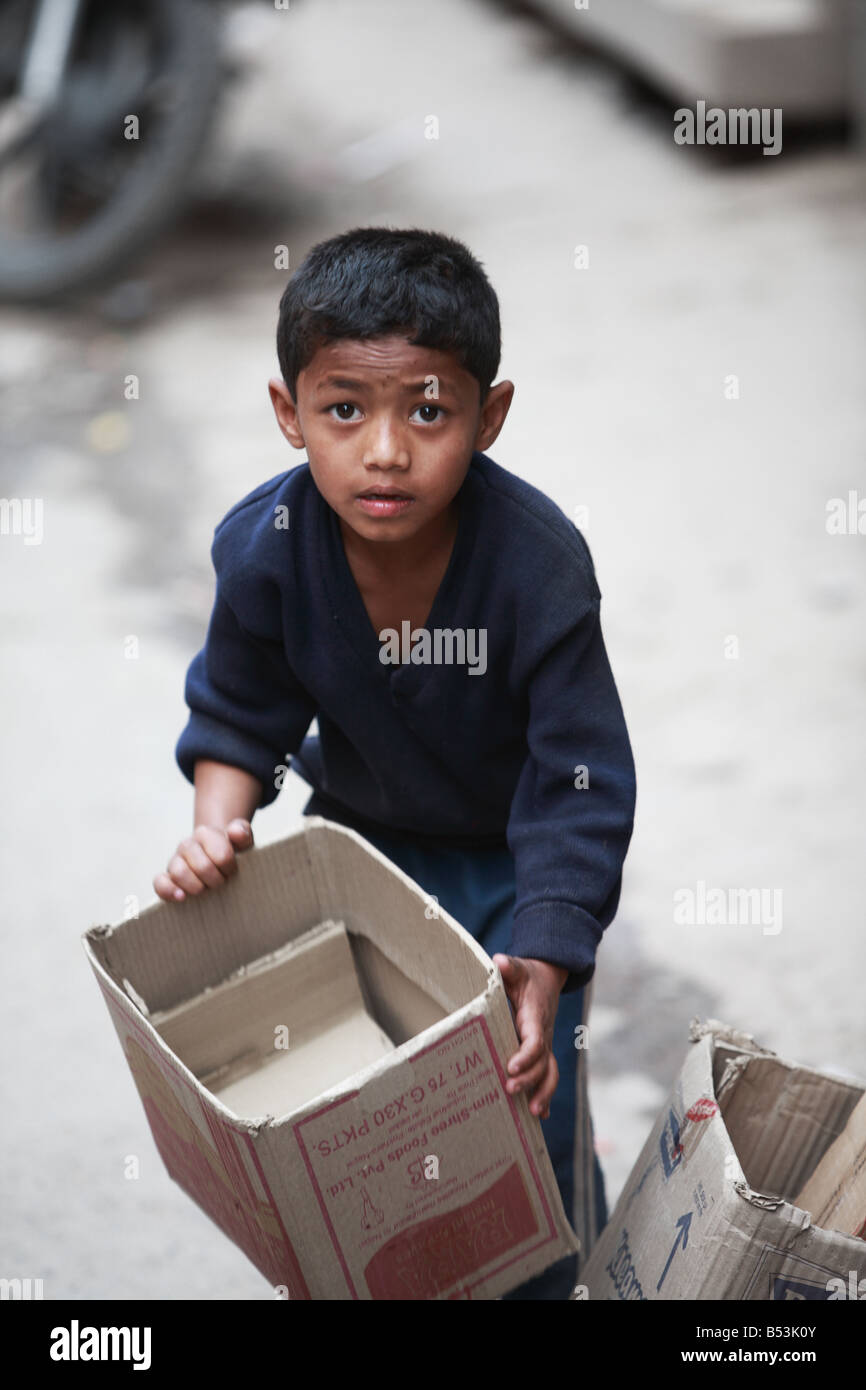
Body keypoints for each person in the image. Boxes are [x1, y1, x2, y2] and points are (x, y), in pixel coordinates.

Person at [153, 226, 637, 1300]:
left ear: (487, 415)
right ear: (288, 414)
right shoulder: (268, 547)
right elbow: (239, 711)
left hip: (514, 870)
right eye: (343, 410)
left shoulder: (535, 566)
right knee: (368, 1099)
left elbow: (579, 780)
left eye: (427, 410)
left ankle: (562, 1268)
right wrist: (214, 827)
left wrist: (545, 958)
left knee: (520, 1098)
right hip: (364, 853)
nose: (384, 451)